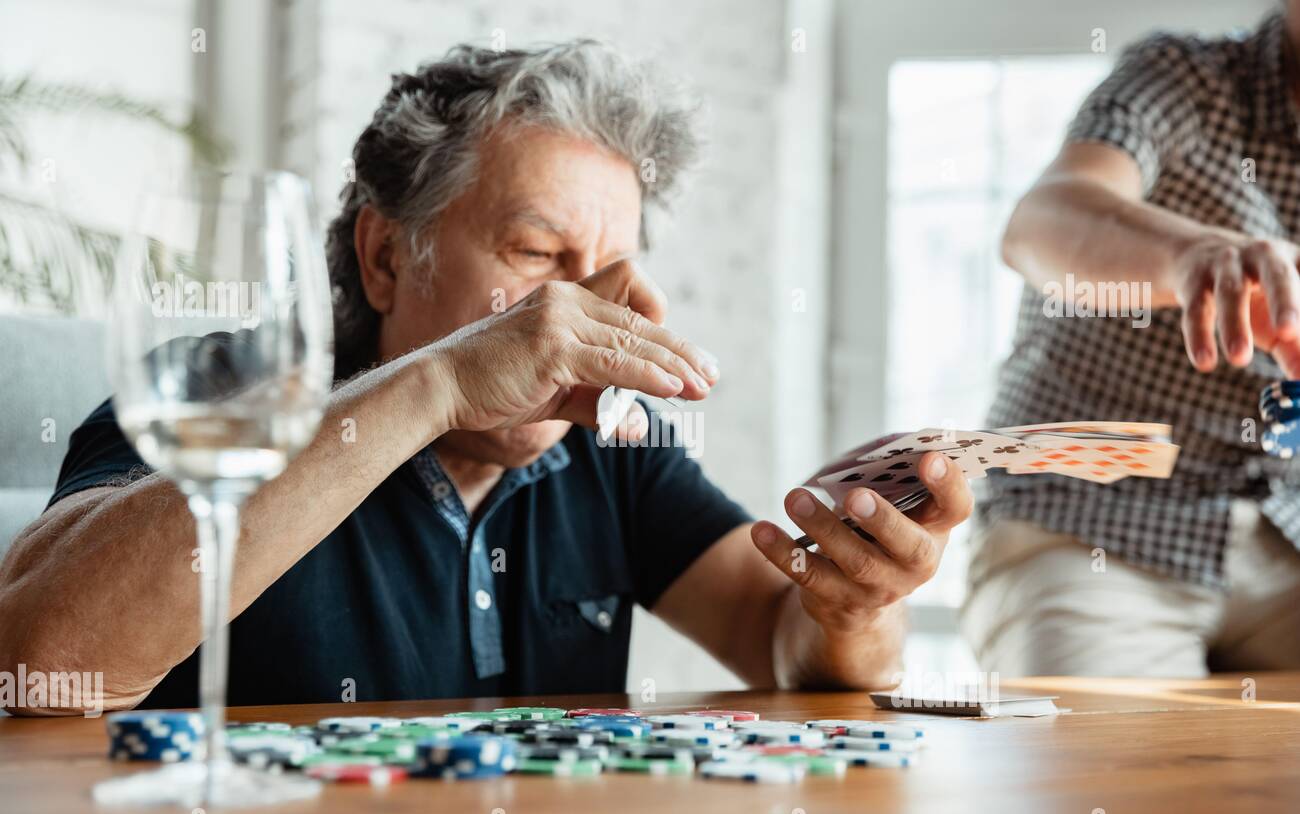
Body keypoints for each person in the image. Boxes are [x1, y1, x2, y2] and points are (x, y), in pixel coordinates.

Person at [0, 40, 972, 714]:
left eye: (605, 270)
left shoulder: (608, 449)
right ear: (385, 258)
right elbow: (35, 663)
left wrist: (852, 607)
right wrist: (437, 387)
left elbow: (779, 644)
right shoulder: (217, 390)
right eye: (539, 254)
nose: (580, 311)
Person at [963, 8, 1300, 677]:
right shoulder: (1183, 79)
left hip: (1285, 534)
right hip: (1088, 518)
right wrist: (1189, 255)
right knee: (1114, 761)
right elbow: (1042, 220)